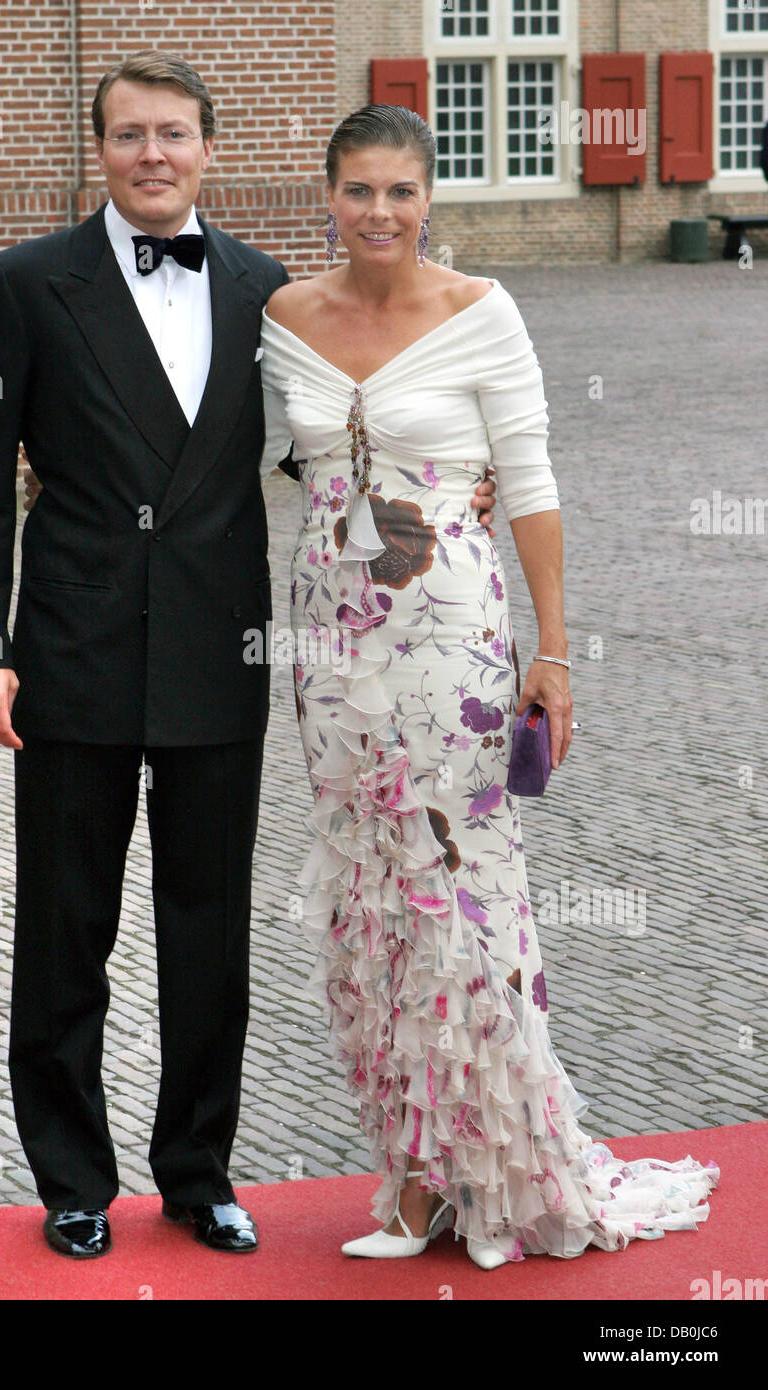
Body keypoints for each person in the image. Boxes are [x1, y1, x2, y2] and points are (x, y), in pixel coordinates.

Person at [0, 51, 500, 1260]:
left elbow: (327, 447)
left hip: (217, 652)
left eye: (174, 134)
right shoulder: (27, 283)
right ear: (101, 149)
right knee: (63, 924)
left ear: (209, 149)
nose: (153, 154)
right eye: (130, 134)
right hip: (70, 657)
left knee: (209, 927)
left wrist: (438, 503)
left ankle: (198, 1173)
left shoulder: (268, 290)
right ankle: (74, 1181)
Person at [257, 104, 720, 1266]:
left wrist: (551, 655)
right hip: (328, 650)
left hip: (450, 640)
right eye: (358, 191)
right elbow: (285, 462)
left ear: (431, 201)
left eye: (400, 193)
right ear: (328, 196)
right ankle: (413, 1178)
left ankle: (501, 1161)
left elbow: (530, 483)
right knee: (372, 895)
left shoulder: (483, 314)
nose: (379, 213)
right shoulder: (284, 318)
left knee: (459, 890)